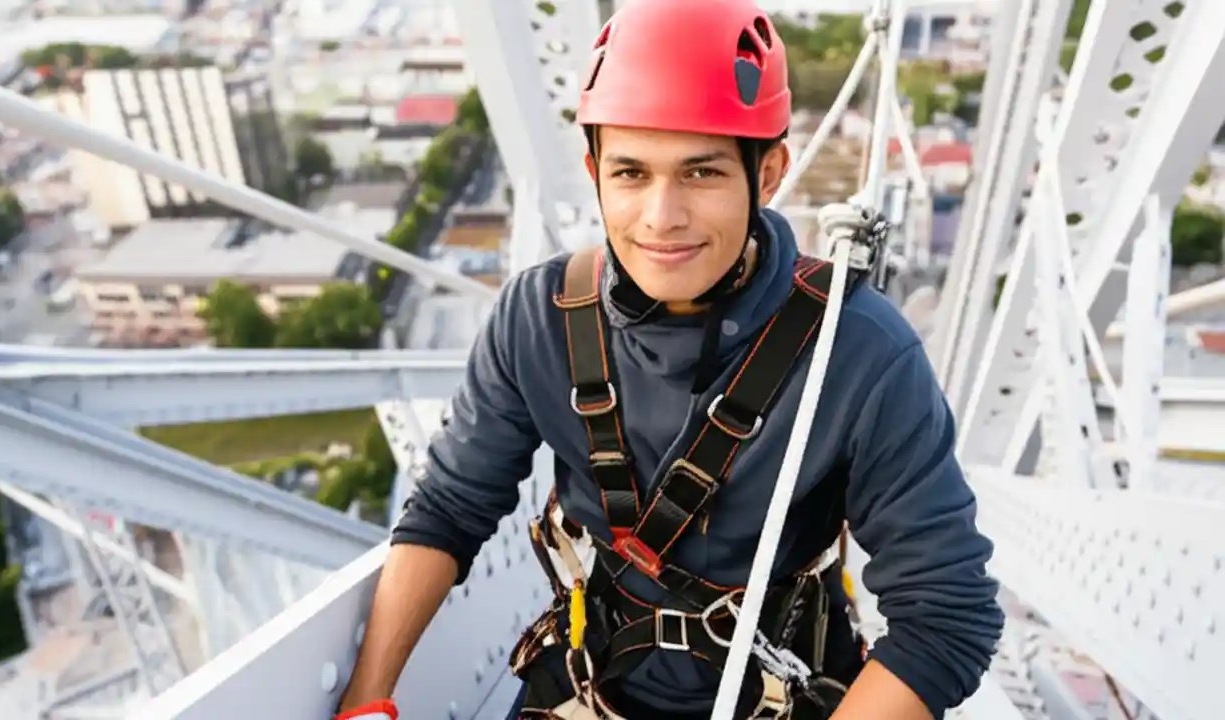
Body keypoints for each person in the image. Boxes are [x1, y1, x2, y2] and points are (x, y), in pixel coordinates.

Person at [335, 0, 1004, 718]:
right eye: (630, 174)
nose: (661, 217)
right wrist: (364, 698)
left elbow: (946, 617)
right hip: (590, 688)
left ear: (769, 172)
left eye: (701, 174)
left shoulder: (860, 354)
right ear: (594, 172)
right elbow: (448, 509)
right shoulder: (542, 319)